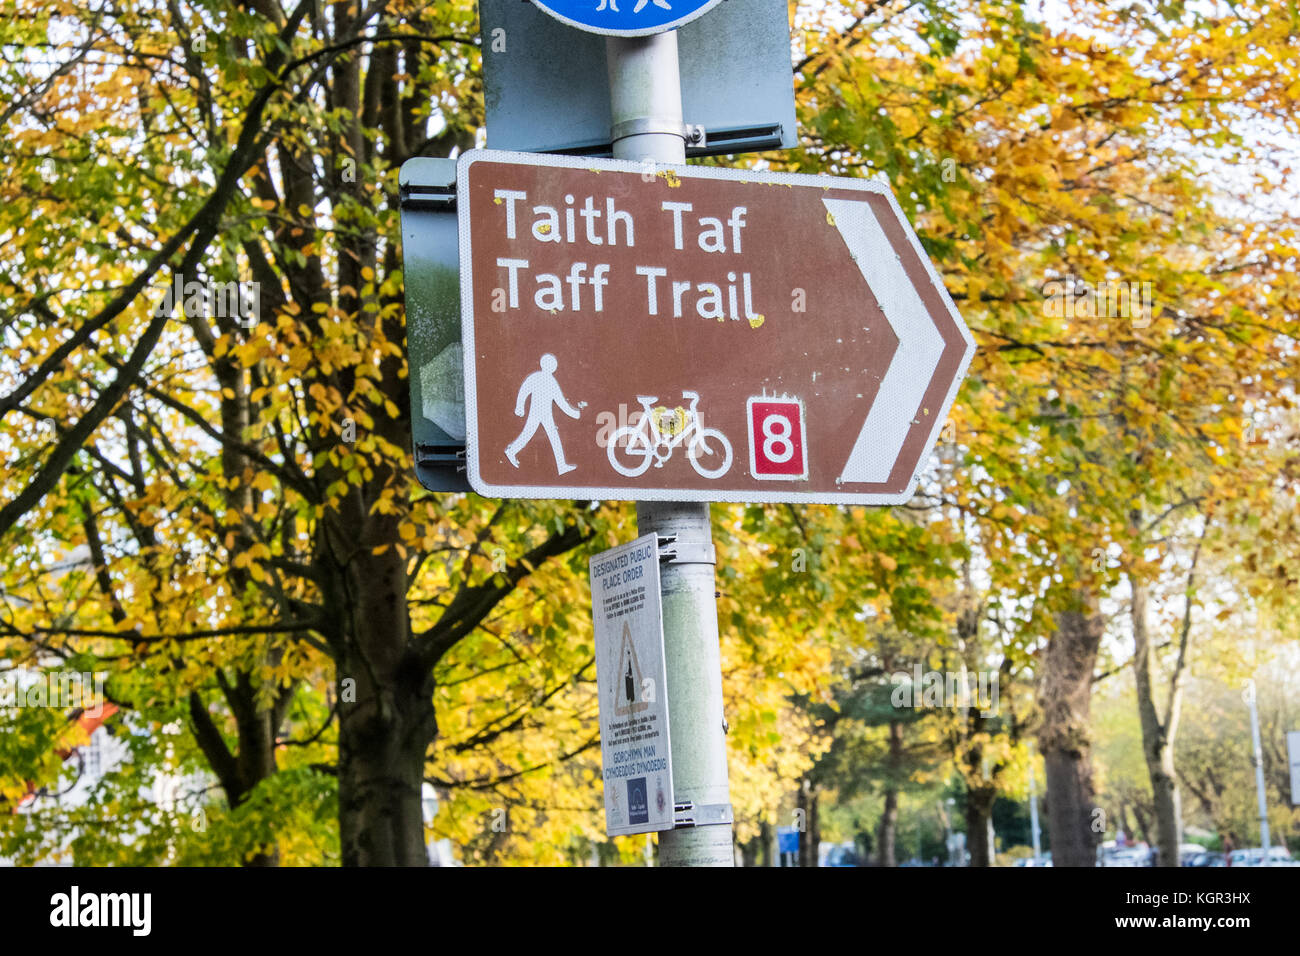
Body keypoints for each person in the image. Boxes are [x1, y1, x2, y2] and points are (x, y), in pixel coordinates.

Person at [505, 354, 583, 474]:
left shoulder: (545, 379)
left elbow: (560, 401)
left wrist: (574, 413)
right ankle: (511, 451)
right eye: (553, 365)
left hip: (544, 414)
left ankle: (561, 465)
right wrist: (519, 407)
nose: (555, 367)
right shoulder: (543, 379)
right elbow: (524, 391)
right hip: (537, 413)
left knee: (547, 436)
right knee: (531, 434)